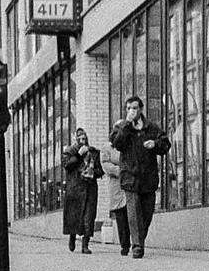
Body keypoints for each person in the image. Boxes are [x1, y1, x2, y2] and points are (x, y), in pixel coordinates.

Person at [110, 96, 172, 259]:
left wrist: (155, 144)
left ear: (141, 109)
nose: (132, 111)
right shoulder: (121, 127)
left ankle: (138, 239)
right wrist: (125, 126)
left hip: (148, 178)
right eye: (129, 108)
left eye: (135, 108)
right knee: (133, 212)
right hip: (130, 177)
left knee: (147, 213)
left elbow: (165, 144)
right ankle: (137, 246)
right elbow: (117, 144)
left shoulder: (151, 128)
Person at [61, 129, 102, 253]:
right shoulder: (69, 152)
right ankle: (72, 238)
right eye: (80, 139)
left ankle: (85, 245)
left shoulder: (94, 152)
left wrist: (93, 173)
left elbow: (100, 170)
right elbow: (67, 166)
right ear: (76, 139)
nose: (83, 141)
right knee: (74, 217)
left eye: (84, 139)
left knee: (89, 217)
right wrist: (78, 155)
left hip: (89, 188)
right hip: (75, 189)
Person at [100, 146, 129, 255]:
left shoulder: (128, 145)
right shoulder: (107, 149)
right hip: (116, 187)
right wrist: (122, 170)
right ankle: (124, 245)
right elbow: (106, 165)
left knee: (131, 215)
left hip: (130, 185)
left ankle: (135, 242)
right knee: (121, 217)